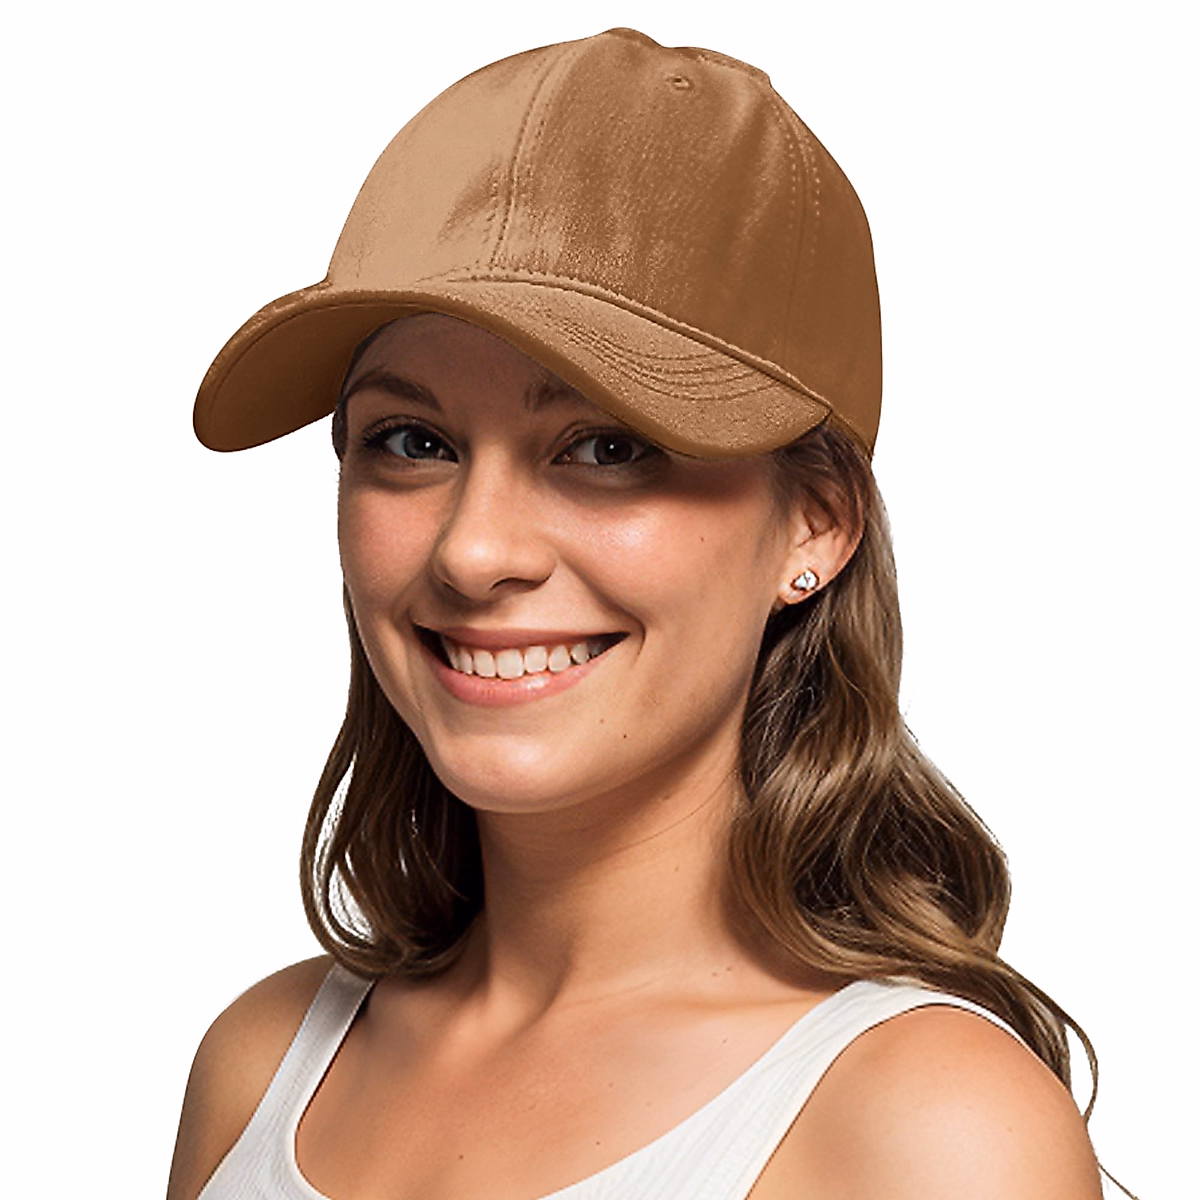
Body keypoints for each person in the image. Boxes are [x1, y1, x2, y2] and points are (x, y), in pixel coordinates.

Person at [169, 26, 1133, 1200]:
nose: (474, 551)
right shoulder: (264, 1066)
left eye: (606, 448)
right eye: (411, 441)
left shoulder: (927, 1133)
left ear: (815, 524)